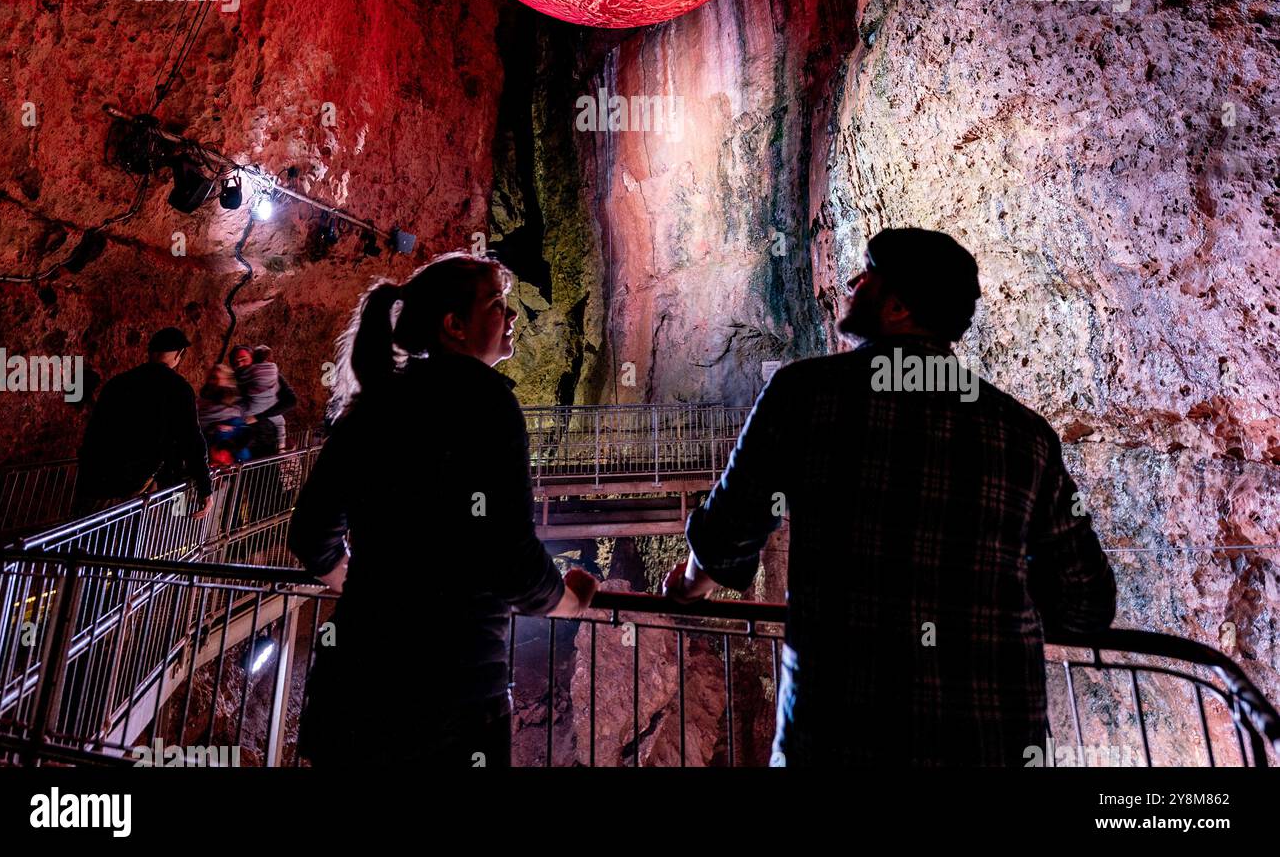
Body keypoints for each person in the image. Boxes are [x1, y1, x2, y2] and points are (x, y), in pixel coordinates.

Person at [663, 227, 1117, 767]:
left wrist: (692, 585)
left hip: (839, 734)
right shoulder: (1025, 435)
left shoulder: (804, 395)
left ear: (898, 306)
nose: (853, 282)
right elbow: (1087, 600)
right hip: (993, 740)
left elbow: (730, 529)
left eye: (868, 275)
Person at [288, 251, 597, 767]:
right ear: (454, 325)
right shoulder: (487, 403)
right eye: (497, 303)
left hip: (353, 687)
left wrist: (371, 586)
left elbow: (311, 533)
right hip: (449, 695)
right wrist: (568, 601)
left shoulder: (373, 404)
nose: (512, 315)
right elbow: (511, 558)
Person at [75, 326, 212, 518]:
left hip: (95, 476)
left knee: (80, 535)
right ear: (179, 354)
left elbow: (95, 431)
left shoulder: (117, 383)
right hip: (131, 483)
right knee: (120, 539)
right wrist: (205, 487)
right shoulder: (178, 389)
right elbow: (190, 441)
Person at [230, 344, 296, 457]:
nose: (240, 364)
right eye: (236, 363)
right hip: (241, 436)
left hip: (265, 437)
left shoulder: (270, 377)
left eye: (244, 360)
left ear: (253, 359)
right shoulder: (232, 381)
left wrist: (258, 417)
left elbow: (291, 401)